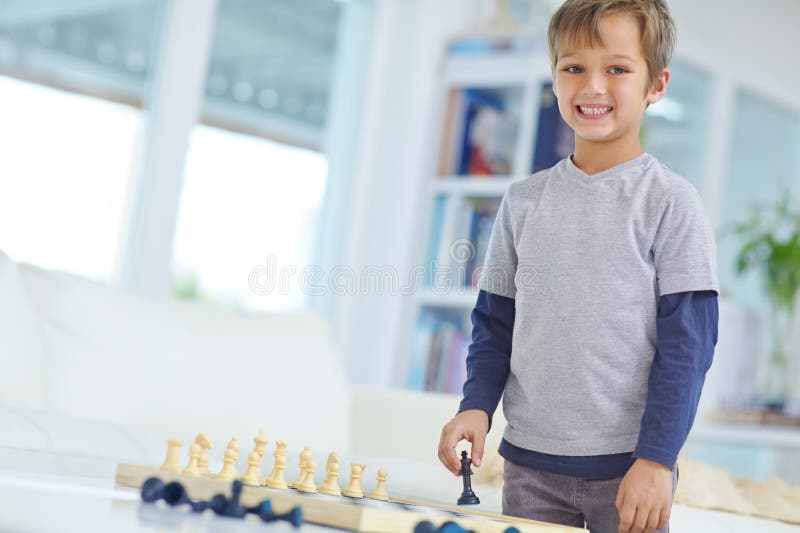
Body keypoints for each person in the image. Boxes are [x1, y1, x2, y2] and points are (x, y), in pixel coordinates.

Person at [437, 1, 719, 532]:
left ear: (656, 84)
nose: (592, 86)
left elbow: (689, 346)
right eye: (574, 68)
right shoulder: (522, 202)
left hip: (630, 470)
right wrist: (476, 405)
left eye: (616, 68)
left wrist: (658, 460)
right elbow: (496, 323)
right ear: (555, 78)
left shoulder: (672, 203)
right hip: (528, 467)